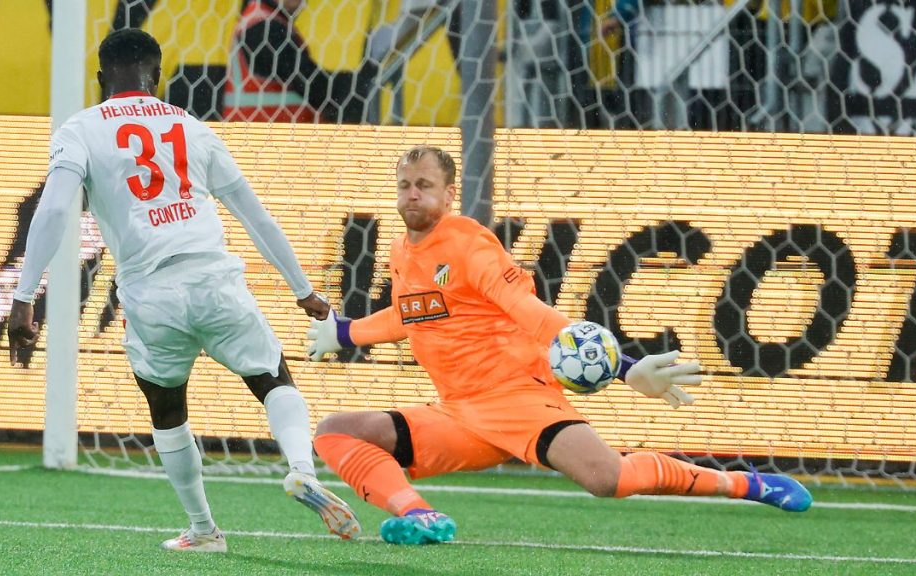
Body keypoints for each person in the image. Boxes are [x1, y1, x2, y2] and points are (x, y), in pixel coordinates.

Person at [304, 145, 813, 545]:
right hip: (458, 413)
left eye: (424, 185)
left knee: (607, 479)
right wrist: (346, 331)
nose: (412, 195)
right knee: (338, 432)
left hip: (518, 398)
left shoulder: (469, 243)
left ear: (450, 193)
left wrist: (626, 367)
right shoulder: (401, 249)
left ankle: (748, 485)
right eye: (404, 186)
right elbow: (412, 313)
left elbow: (529, 311)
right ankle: (420, 516)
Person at [6, 28, 360, 552]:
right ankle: (302, 469)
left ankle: (202, 529)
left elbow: (56, 209)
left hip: (151, 295)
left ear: (101, 77)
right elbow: (253, 213)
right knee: (273, 378)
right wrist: (303, 289)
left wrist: (23, 297)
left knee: (167, 408)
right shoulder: (192, 127)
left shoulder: (80, 129)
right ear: (159, 72)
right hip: (215, 279)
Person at [224, 0, 379, 123]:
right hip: (262, 138)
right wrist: (360, 82)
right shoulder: (264, 28)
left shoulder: (265, 20)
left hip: (271, 138)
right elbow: (314, 85)